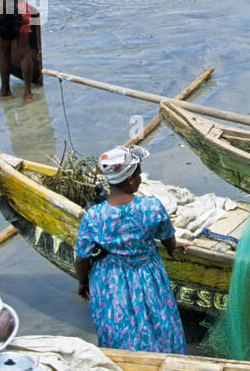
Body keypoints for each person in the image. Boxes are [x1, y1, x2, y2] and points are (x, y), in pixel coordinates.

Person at [75, 146, 186, 354]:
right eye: (138, 173)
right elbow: (167, 236)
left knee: (118, 325)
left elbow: (82, 257)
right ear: (131, 180)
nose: (140, 177)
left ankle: (127, 367)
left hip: (110, 278)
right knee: (159, 321)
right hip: (148, 273)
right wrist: (172, 248)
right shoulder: (151, 206)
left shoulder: (94, 216)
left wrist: (82, 281)